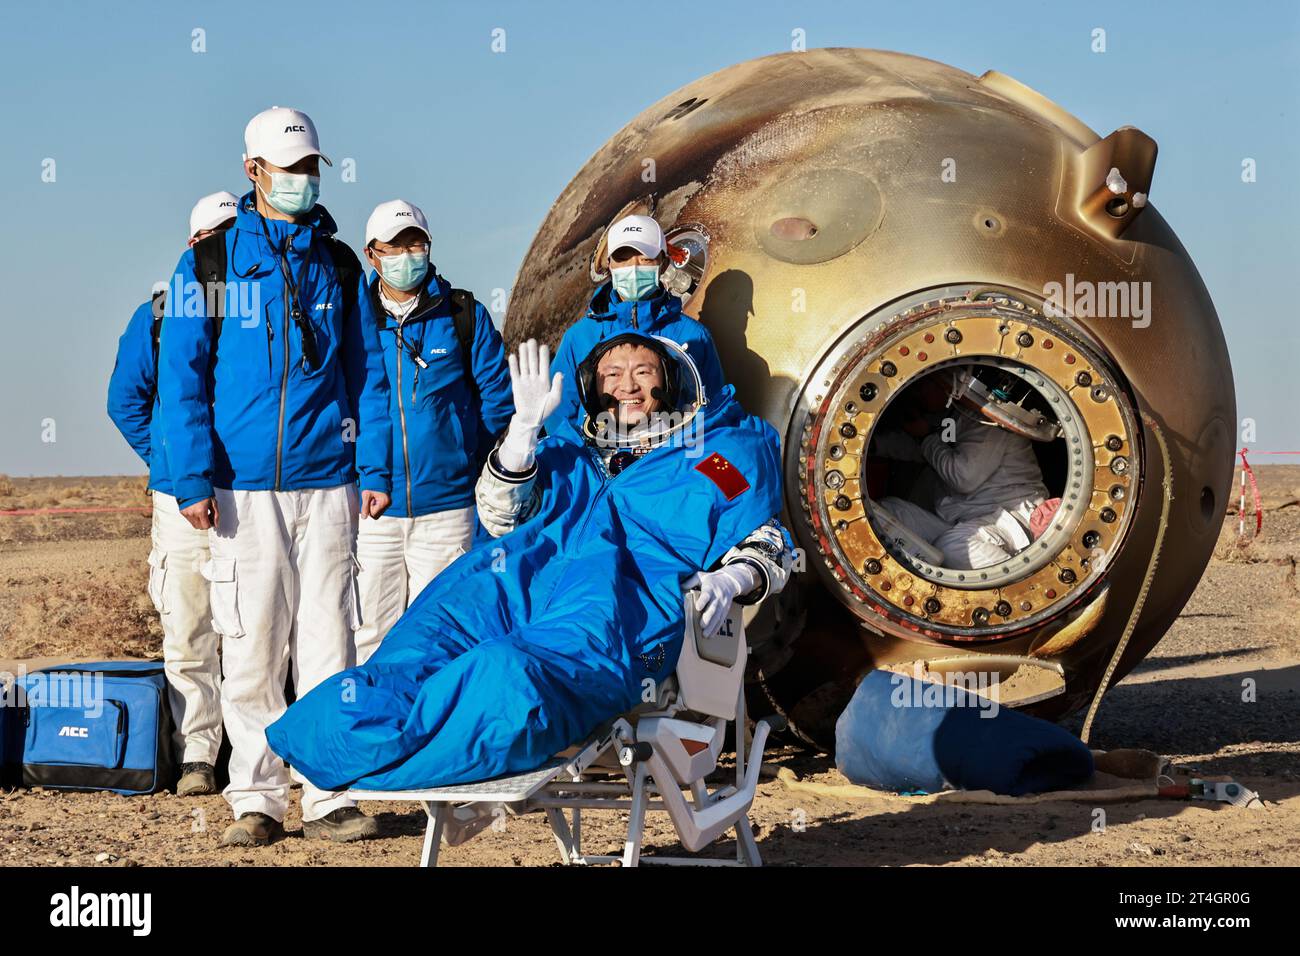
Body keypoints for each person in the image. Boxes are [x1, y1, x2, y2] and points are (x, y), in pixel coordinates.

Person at [265, 332, 793, 793]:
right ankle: (350, 737)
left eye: (642, 372)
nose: (627, 386)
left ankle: (398, 748)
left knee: (507, 674)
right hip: (504, 586)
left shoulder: (714, 454)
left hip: (615, 606)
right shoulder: (566, 451)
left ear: (671, 382)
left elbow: (768, 539)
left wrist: (737, 575)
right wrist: (522, 431)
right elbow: (499, 513)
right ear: (592, 388)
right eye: (612, 374)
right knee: (402, 666)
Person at [156, 107, 393, 847]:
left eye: (311, 168)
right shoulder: (212, 264)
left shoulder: (342, 264)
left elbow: (370, 375)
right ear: (253, 171)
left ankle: (329, 798)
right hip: (240, 491)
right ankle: (256, 800)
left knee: (331, 644)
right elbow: (183, 378)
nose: (302, 181)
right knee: (252, 645)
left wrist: (375, 465)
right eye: (288, 169)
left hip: (329, 486)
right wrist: (191, 478)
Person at [106, 190, 238, 797]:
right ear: (194, 245)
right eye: (215, 235)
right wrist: (170, 460)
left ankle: (258, 750)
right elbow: (125, 402)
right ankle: (199, 754)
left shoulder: (257, 310)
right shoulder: (157, 317)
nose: (226, 243)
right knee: (188, 625)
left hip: (249, 490)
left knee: (255, 623)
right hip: (179, 502)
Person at [352, 200, 514, 664]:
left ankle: (432, 735)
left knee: (440, 635)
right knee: (369, 636)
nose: (407, 255)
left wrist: (468, 463)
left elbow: (496, 400)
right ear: (372, 253)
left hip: (448, 511)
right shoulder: (352, 320)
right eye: (395, 246)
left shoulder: (463, 314)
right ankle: (373, 732)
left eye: (415, 243)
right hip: (371, 512)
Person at [545, 213, 725, 434]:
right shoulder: (578, 338)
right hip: (600, 460)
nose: (634, 266)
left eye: (645, 258)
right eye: (623, 257)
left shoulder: (695, 336)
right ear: (609, 264)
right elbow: (558, 419)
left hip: (674, 461)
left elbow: (715, 413)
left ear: (664, 262)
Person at [871, 370, 1049, 569]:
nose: (916, 394)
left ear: (948, 385)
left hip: (1009, 519)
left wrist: (925, 437)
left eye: (924, 386)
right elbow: (931, 452)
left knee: (953, 547)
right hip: (966, 521)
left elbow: (963, 477)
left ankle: (1020, 584)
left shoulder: (991, 423)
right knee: (887, 511)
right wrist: (875, 446)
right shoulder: (957, 418)